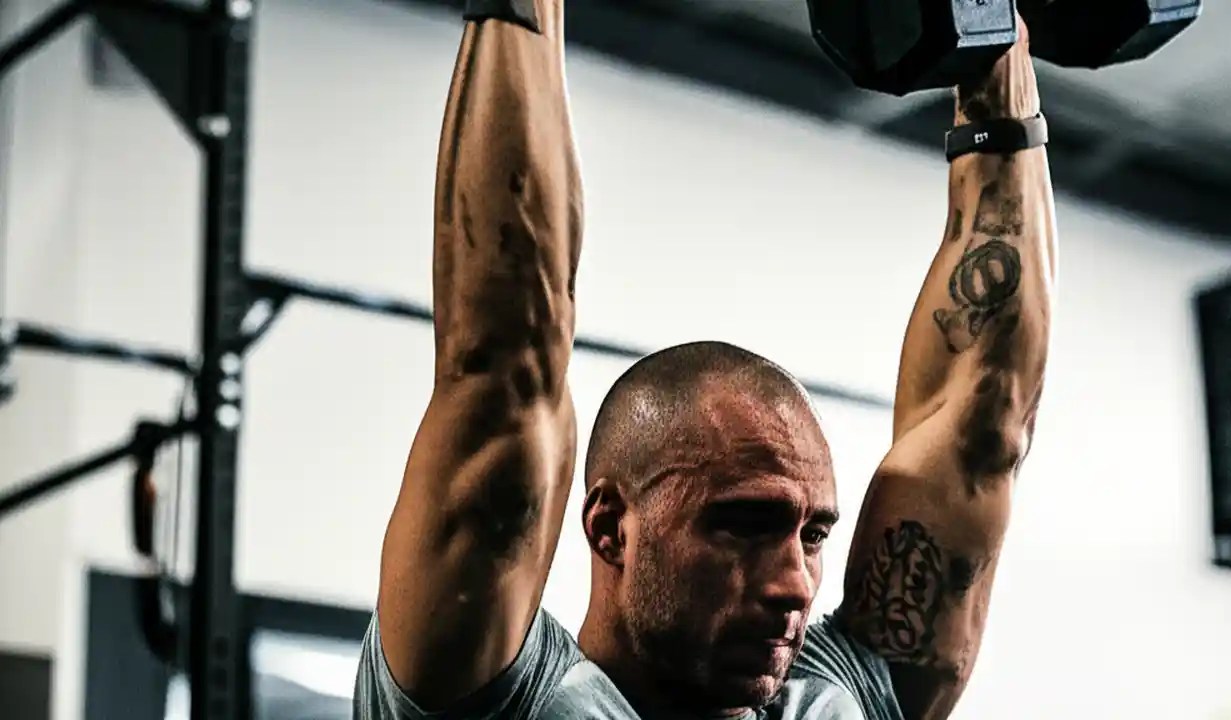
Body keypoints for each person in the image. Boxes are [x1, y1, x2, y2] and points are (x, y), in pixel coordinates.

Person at [354, 0, 1056, 718]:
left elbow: (984, 422)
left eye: (812, 534)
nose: (795, 584)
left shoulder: (832, 705)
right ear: (609, 526)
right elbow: (503, 361)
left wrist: (993, 46)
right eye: (743, 525)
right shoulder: (507, 701)